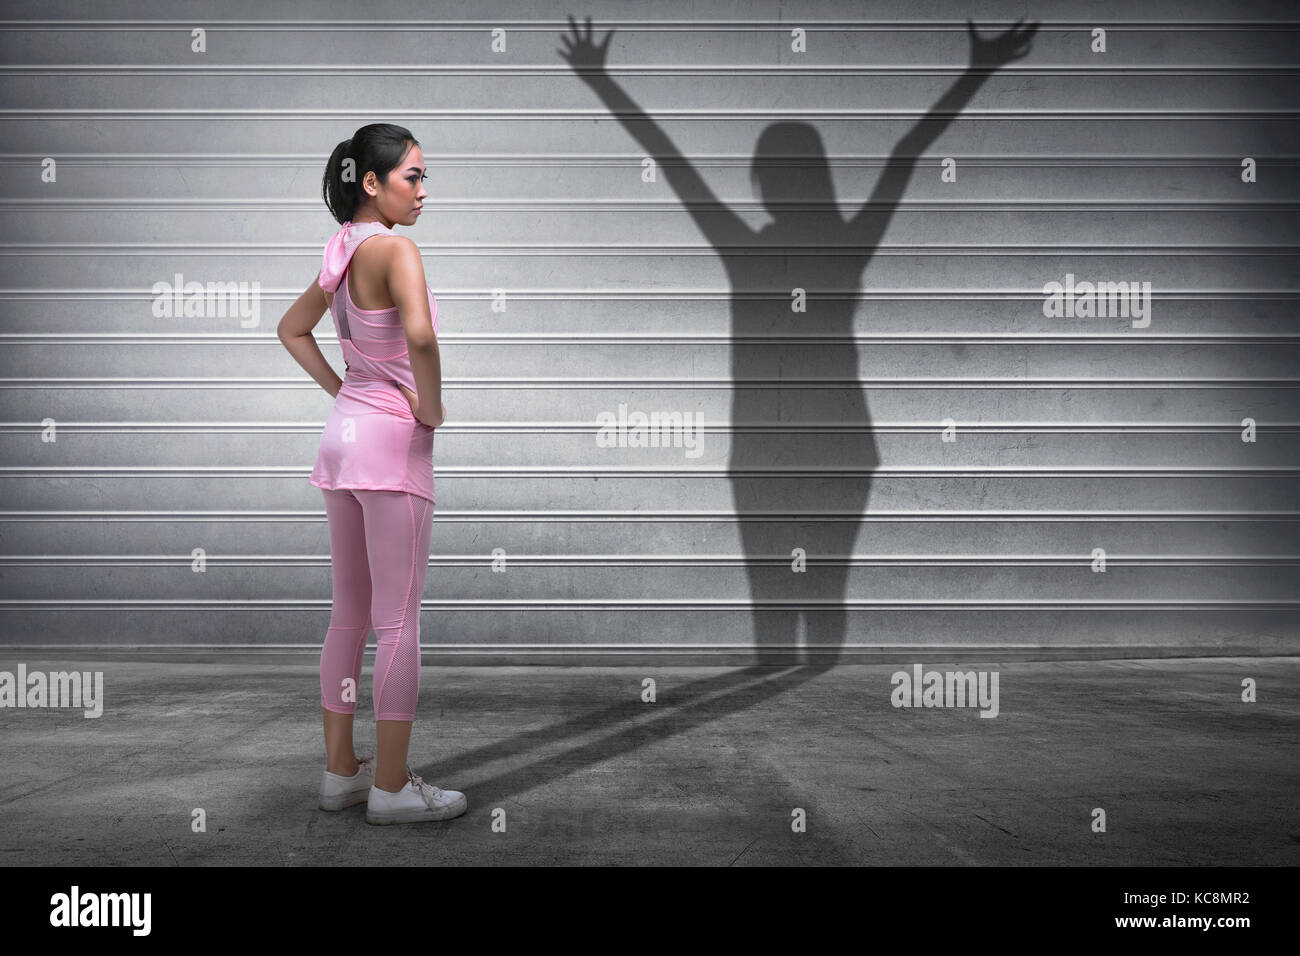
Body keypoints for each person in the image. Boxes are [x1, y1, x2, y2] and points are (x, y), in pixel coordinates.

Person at [276, 122, 466, 824]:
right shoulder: (396, 249)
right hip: (391, 447)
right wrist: (433, 408)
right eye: (412, 176)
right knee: (399, 621)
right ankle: (391, 788)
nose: (423, 191)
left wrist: (346, 392)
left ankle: (341, 774)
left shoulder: (343, 250)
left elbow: (290, 328)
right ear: (372, 182)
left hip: (343, 443)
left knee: (348, 615)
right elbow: (418, 335)